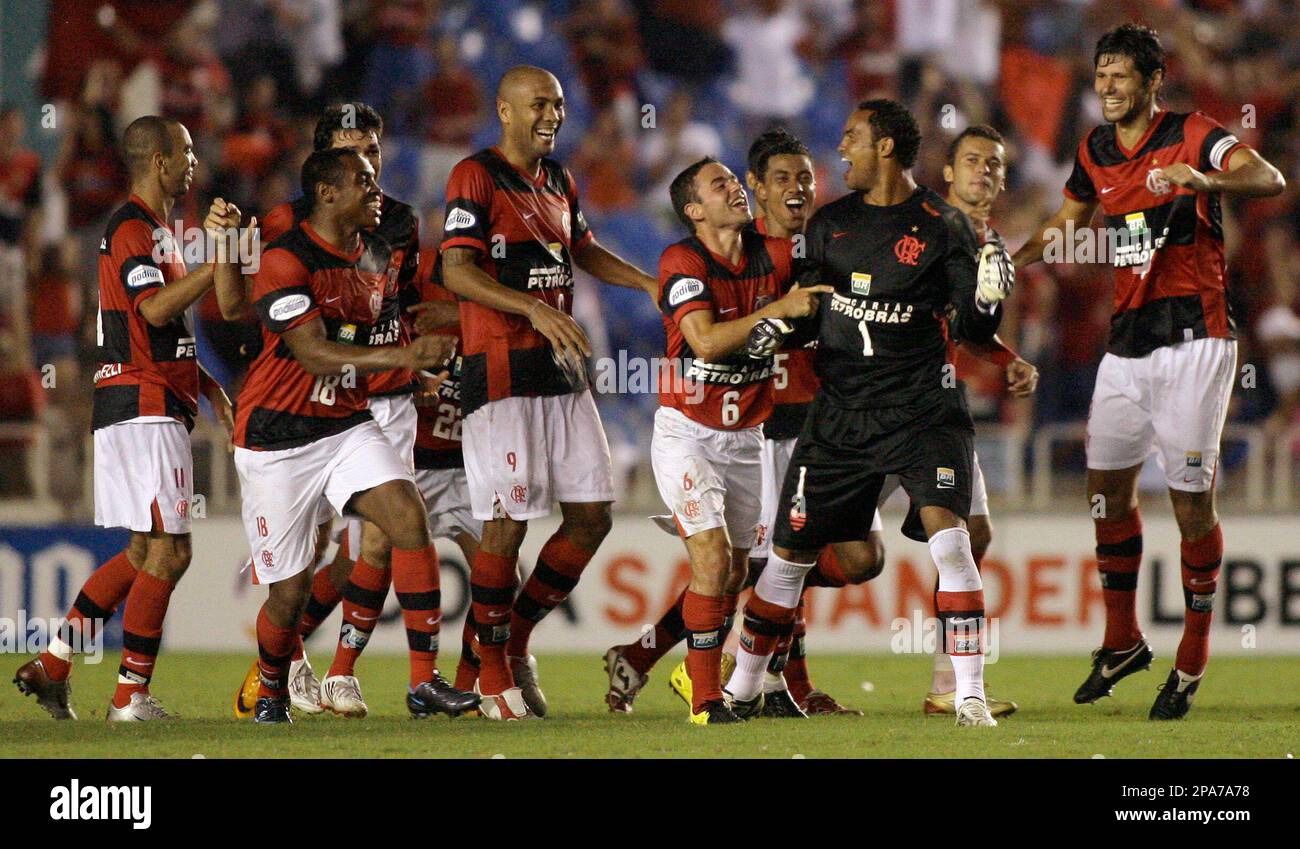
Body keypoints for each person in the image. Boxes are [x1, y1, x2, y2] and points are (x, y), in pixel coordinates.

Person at [1011, 24, 1285, 720]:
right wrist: (1008, 261)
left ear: (1152, 81)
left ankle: (1191, 659)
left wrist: (1209, 178)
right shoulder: (1094, 149)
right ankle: (1122, 637)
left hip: (1196, 337)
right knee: (1105, 490)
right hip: (1127, 344)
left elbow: (1268, 176)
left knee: (1190, 501)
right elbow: (1066, 223)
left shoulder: (1193, 132)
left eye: (1119, 76)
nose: (1105, 87)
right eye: (1100, 75)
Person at [743, 99, 1011, 727]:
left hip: (921, 411)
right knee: (805, 557)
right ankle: (738, 689)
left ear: (884, 146)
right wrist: (771, 331)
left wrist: (990, 305)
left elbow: (968, 325)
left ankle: (965, 691)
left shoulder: (944, 226)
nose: (841, 151)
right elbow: (806, 311)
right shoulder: (831, 223)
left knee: (957, 538)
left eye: (851, 138)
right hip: (841, 416)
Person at [439, 66, 656, 720]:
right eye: (539, 103)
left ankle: (516, 634)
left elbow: (582, 250)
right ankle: (490, 672)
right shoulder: (473, 175)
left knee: (591, 515)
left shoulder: (559, 179)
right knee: (505, 524)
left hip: (561, 372)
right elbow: (455, 268)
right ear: (503, 109)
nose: (552, 115)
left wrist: (647, 284)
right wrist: (530, 309)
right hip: (500, 371)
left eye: (559, 105)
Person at [220, 147, 455, 724]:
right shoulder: (285, 258)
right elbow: (314, 353)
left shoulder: (376, 255)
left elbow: (363, 345)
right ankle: (272, 686)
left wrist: (416, 369)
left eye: (376, 182)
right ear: (326, 193)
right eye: (363, 182)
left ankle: (424, 682)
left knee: (406, 517)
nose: (377, 192)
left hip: (346, 424)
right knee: (289, 593)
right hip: (277, 438)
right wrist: (406, 353)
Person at [14, 116, 234, 721]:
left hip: (144, 401)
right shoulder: (134, 227)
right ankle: (130, 696)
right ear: (159, 160)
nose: (195, 160)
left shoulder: (158, 231)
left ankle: (52, 665)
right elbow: (156, 309)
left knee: (143, 551)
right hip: (143, 405)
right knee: (172, 551)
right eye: (186, 151)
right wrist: (216, 268)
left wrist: (211, 386)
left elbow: (165, 330)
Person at [648, 156, 829, 723]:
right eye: (718, 184)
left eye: (734, 179)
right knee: (710, 560)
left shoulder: (772, 255)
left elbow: (814, 288)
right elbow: (701, 342)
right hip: (687, 434)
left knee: (733, 572)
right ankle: (706, 700)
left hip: (747, 437)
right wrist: (777, 311)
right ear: (694, 211)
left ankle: (697, 673)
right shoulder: (682, 260)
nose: (734, 189)